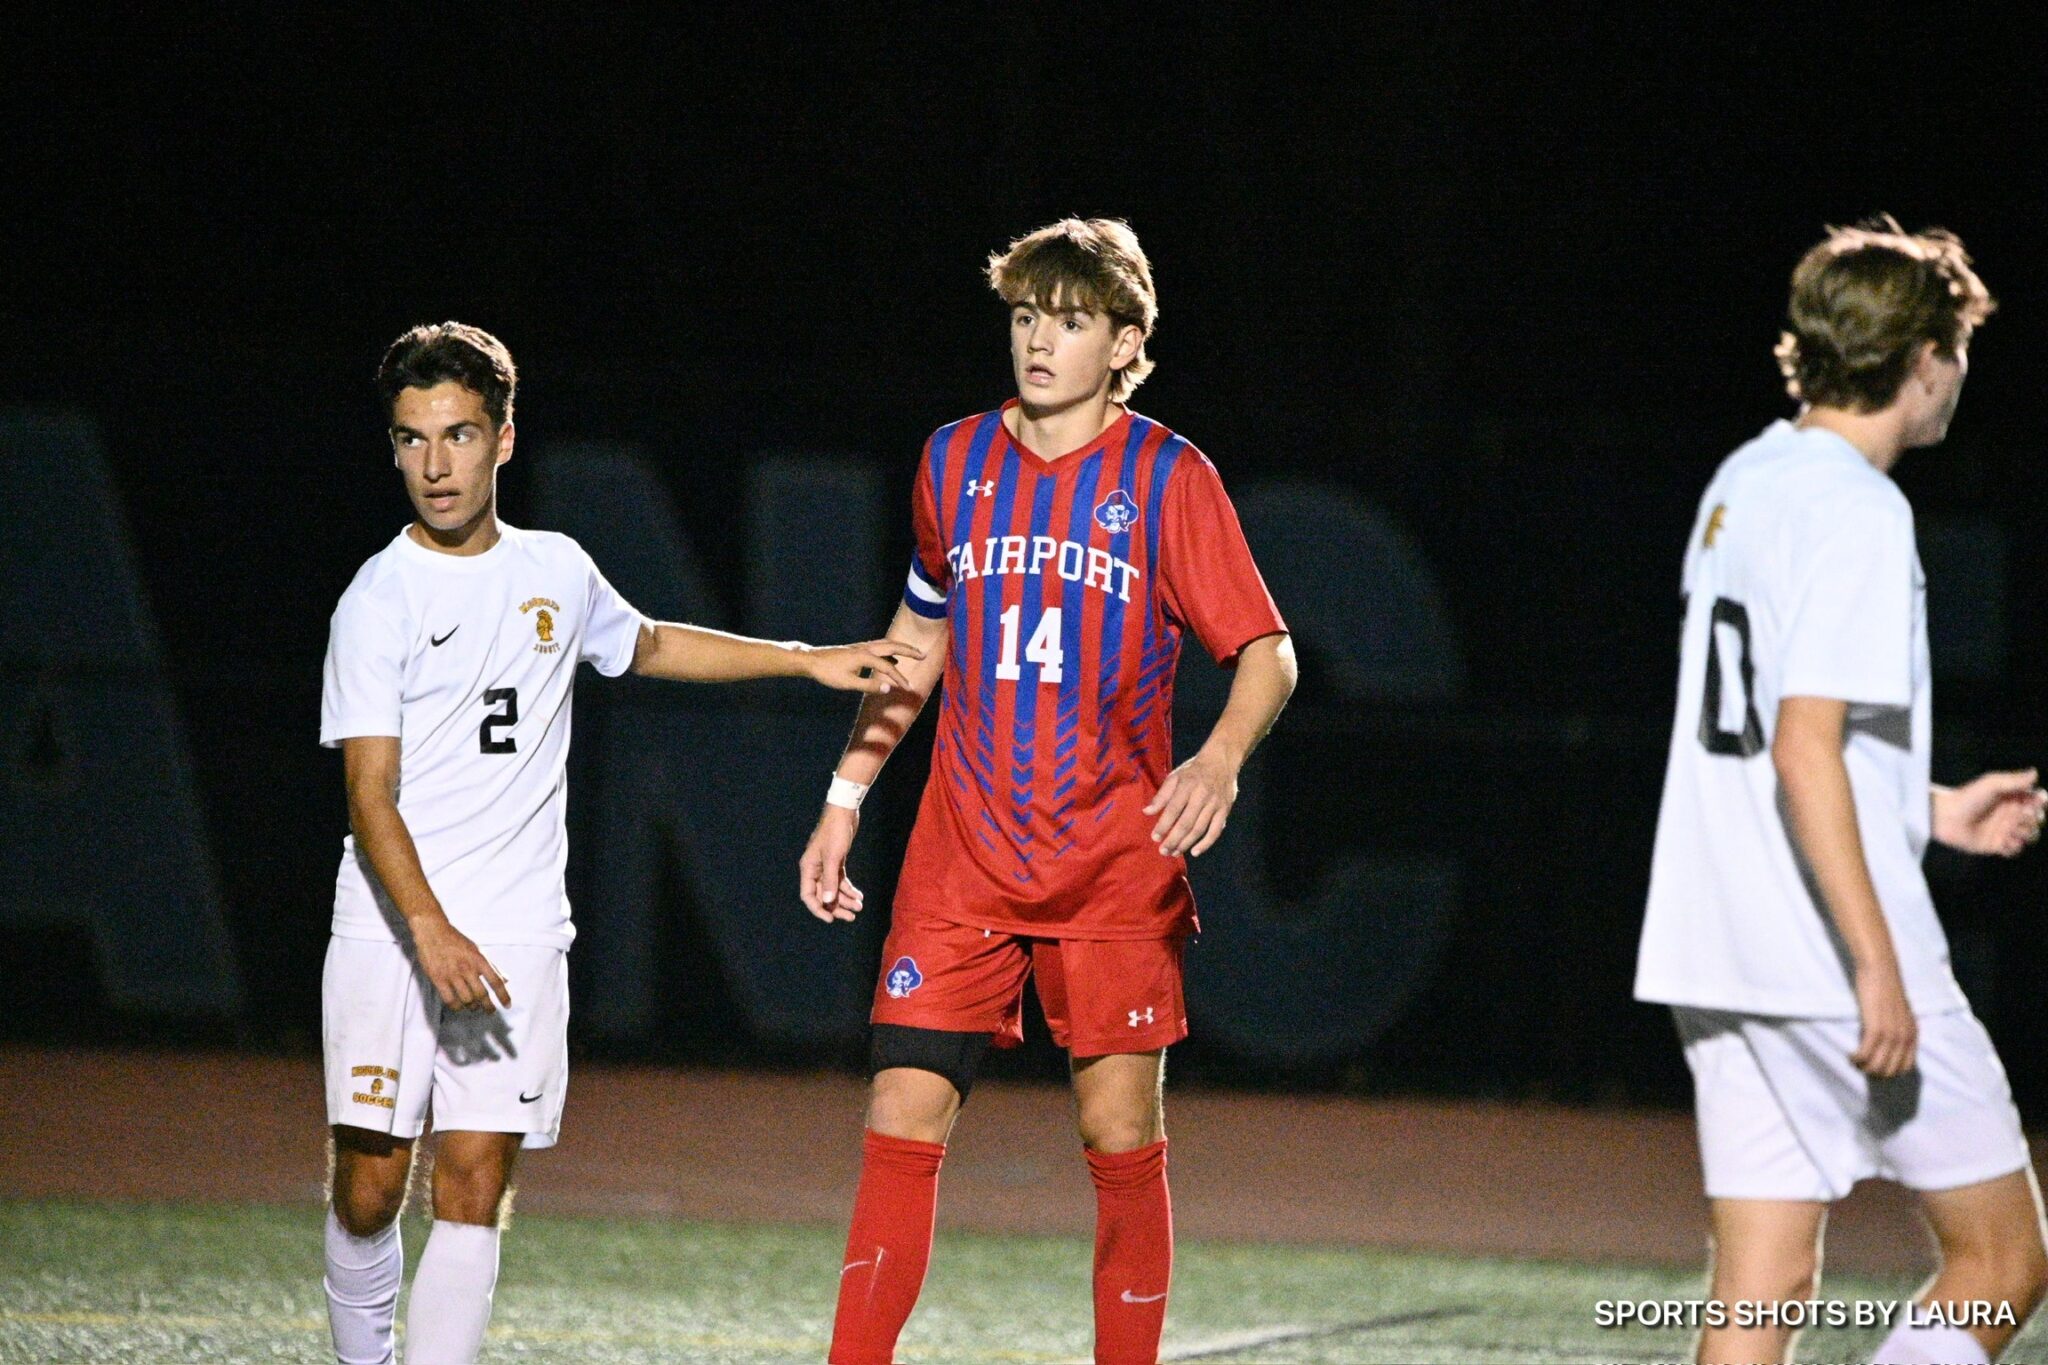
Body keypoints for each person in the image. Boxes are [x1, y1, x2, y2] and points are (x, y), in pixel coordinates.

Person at [320, 322, 921, 1365]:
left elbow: (643, 643)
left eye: (458, 434)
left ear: (503, 440)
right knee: (371, 1190)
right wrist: (428, 929)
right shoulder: (377, 600)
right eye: (412, 439)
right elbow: (369, 794)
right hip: (392, 930)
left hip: (514, 933)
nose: (434, 463)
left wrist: (803, 660)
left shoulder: (554, 568)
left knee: (472, 1183)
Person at [798, 219, 1297, 1365]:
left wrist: (1214, 759)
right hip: (960, 855)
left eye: (1070, 323)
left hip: (1112, 867)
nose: (1038, 341)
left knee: (1118, 1131)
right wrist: (845, 791)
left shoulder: (1169, 478)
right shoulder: (950, 460)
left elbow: (1265, 652)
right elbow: (916, 640)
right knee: (898, 1119)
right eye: (1026, 316)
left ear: (1124, 343)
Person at [1636, 219, 2047, 1365]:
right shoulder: (1862, 512)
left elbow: (1763, 730)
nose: (1959, 374)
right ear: (1921, 362)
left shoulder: (1744, 477)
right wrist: (1876, 962)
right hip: (1823, 944)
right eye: (1956, 350)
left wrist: (1927, 808)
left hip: (1715, 939)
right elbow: (1801, 748)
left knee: (1759, 1285)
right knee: (2002, 1258)